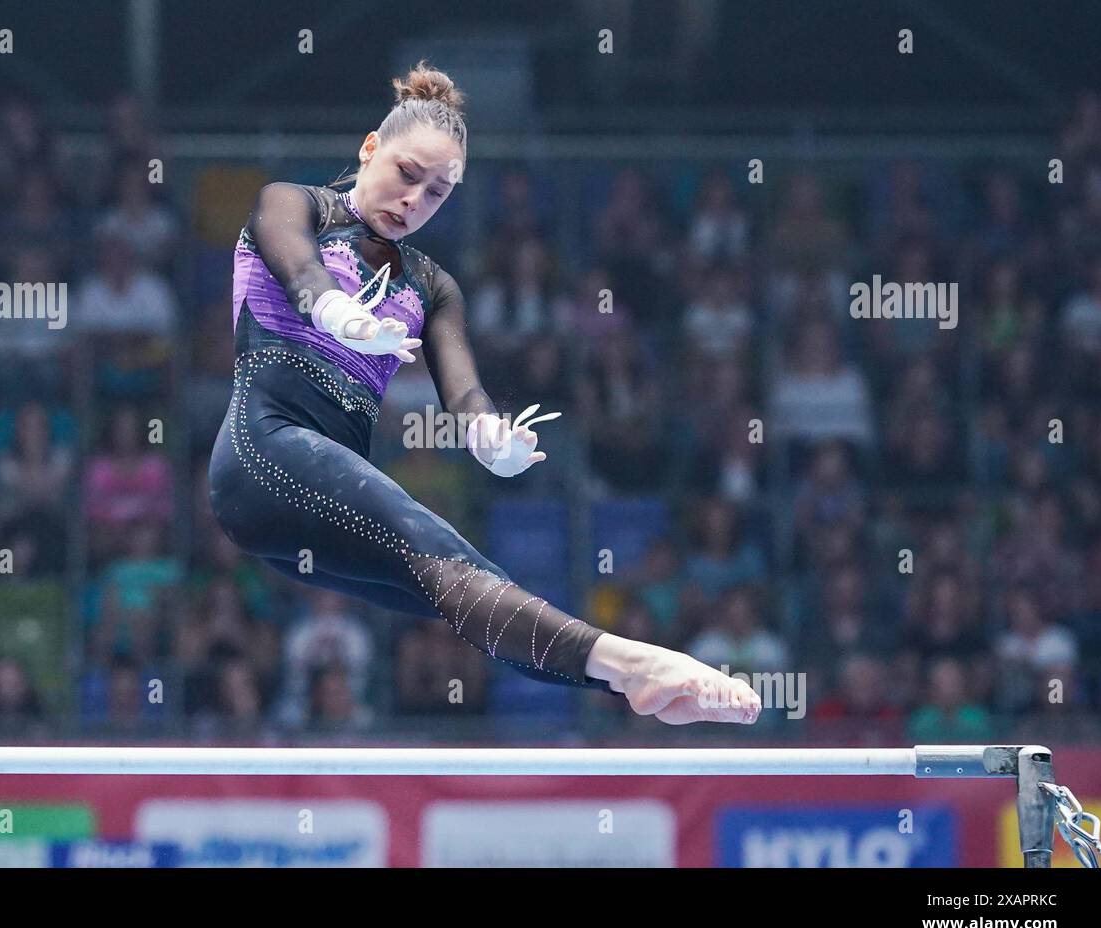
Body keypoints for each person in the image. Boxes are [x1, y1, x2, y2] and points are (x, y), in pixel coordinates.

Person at [207, 61, 759, 727]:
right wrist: (336, 314)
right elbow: (297, 264)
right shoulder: (295, 204)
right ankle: (633, 662)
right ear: (370, 148)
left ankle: (622, 684)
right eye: (408, 174)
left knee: (464, 589)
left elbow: (463, 390)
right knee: (435, 545)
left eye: (438, 192)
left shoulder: (433, 287)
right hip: (261, 451)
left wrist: (490, 436)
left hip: (308, 504)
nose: (415, 200)